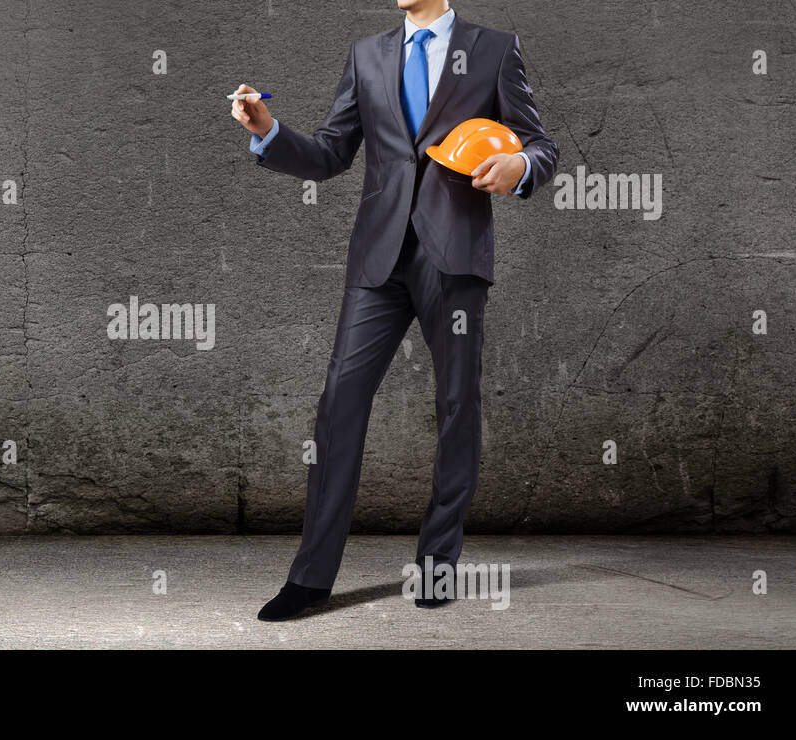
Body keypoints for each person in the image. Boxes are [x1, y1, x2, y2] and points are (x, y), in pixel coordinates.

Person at [230, 0, 557, 620]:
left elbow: (542, 147)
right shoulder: (366, 55)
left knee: (457, 405)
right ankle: (311, 578)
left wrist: (520, 166)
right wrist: (268, 132)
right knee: (339, 403)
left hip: (454, 257)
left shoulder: (494, 48)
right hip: (378, 258)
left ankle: (437, 565)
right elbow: (331, 153)